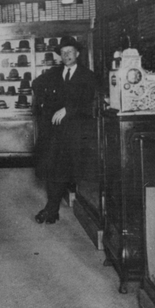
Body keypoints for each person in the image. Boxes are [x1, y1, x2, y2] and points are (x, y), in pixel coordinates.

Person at [31, 35, 98, 224]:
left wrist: (68, 109)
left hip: (77, 133)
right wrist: (45, 105)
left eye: (70, 51)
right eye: (63, 52)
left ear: (77, 53)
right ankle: (51, 210)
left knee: (71, 171)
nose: (66, 55)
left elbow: (88, 101)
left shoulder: (88, 76)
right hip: (56, 132)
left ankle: (57, 210)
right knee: (53, 170)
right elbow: (36, 84)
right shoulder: (54, 73)